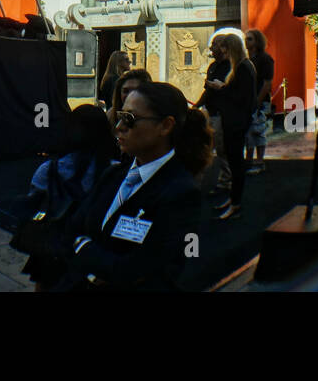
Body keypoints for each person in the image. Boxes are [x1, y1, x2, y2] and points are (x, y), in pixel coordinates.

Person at [46, 82, 212, 292]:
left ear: (165, 126)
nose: (118, 127)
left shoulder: (180, 192)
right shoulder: (114, 174)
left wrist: (84, 248)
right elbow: (71, 229)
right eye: (120, 116)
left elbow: (137, 271)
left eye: (130, 119)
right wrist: (98, 264)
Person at [19, 105, 119, 289]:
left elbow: (33, 203)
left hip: (53, 251)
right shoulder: (116, 173)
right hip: (94, 252)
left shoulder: (48, 170)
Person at [207, 32, 256, 220]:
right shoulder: (241, 66)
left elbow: (243, 97)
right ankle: (233, 199)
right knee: (234, 162)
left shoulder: (243, 67)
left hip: (237, 122)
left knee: (236, 163)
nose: (224, 54)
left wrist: (222, 88)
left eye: (226, 51)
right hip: (232, 120)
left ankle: (236, 204)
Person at [193, 29, 239, 199]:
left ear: (223, 47)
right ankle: (198, 181)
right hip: (210, 112)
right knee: (204, 147)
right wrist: (197, 105)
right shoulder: (212, 67)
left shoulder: (233, 66)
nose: (211, 48)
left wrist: (221, 88)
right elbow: (207, 90)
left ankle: (226, 181)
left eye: (214, 45)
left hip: (223, 114)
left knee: (222, 148)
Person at [245, 29, 275, 174]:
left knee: (258, 130)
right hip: (248, 101)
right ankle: (249, 160)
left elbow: (267, 83)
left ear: (257, 41)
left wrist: (258, 101)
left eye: (250, 39)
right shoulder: (248, 59)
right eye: (246, 38)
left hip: (260, 102)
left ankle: (259, 161)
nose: (246, 41)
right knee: (249, 131)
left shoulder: (265, 59)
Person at [106, 68, 152, 138]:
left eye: (135, 91)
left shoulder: (151, 118)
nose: (130, 95)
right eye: (125, 91)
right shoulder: (110, 116)